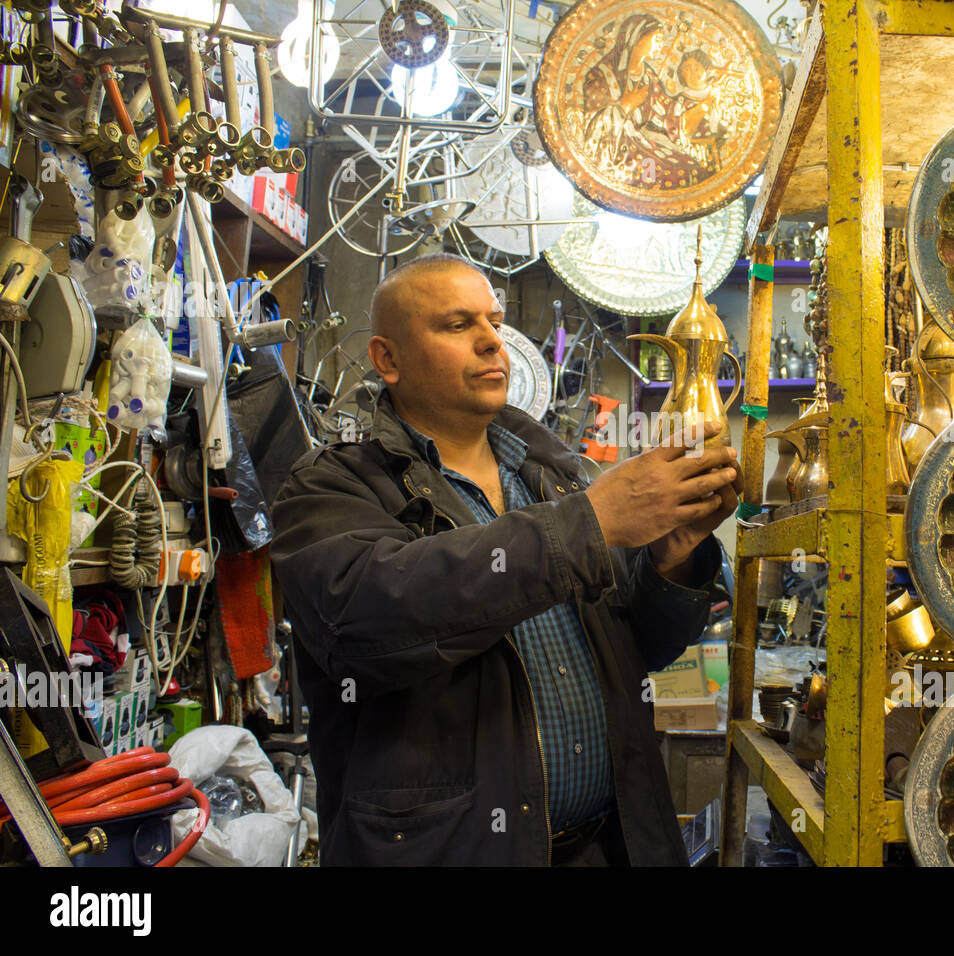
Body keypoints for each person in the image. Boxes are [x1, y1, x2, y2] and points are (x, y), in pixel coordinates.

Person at [269, 253, 742, 866]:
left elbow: (643, 648)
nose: (494, 341)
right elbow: (368, 621)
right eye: (458, 325)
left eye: (493, 321)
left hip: (608, 844)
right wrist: (591, 523)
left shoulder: (554, 475)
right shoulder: (330, 486)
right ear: (388, 358)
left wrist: (672, 561)